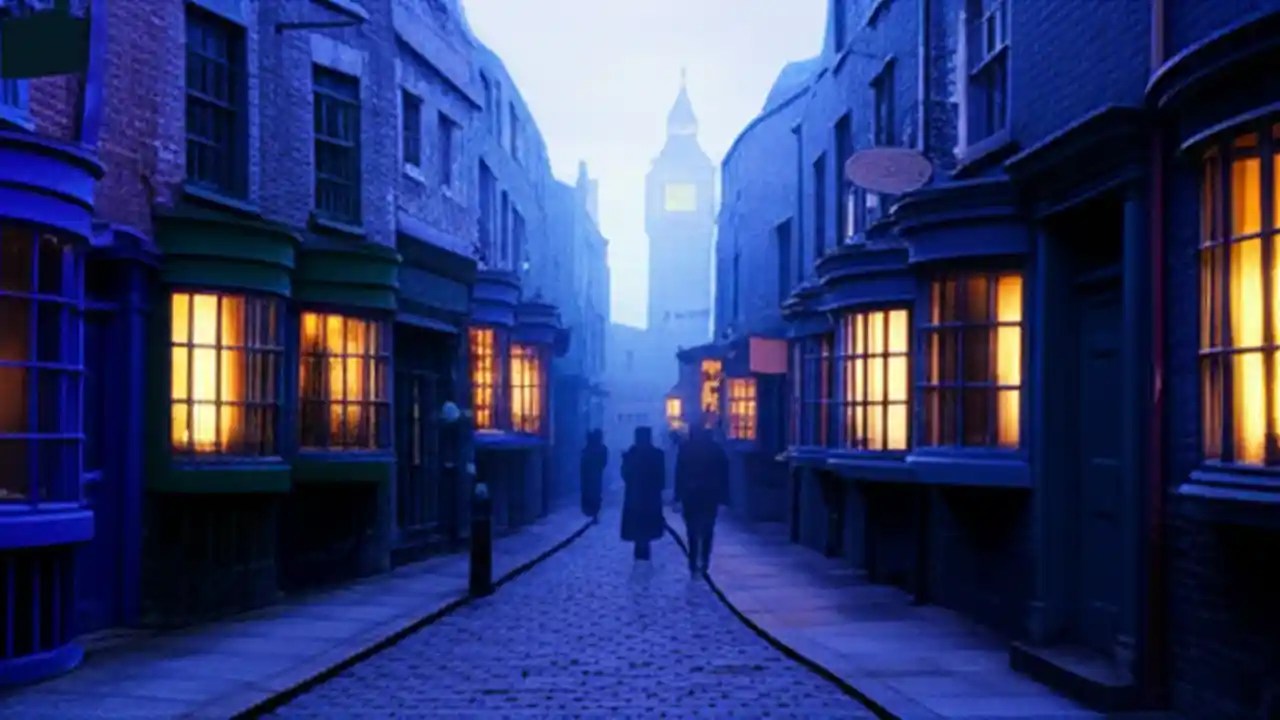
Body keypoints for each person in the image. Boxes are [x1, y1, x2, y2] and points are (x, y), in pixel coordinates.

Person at [675, 422, 729, 577]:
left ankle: (693, 560)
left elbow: (679, 473)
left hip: (690, 494)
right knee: (707, 529)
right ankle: (704, 560)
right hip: (709, 494)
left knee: (692, 529)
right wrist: (724, 497)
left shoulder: (685, 449)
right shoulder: (715, 449)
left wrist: (678, 496)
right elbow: (724, 474)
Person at [620, 426, 665, 561]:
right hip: (649, 498)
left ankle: (640, 550)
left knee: (639, 525)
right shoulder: (656, 455)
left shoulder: (631, 455)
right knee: (646, 526)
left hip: (635, 498)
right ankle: (643, 549)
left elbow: (625, 475)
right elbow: (661, 477)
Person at [580, 430, 607, 522]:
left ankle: (591, 511)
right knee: (594, 493)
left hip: (591, 475)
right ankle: (593, 512)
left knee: (591, 493)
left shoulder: (590, 449)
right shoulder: (601, 448)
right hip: (594, 475)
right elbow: (603, 462)